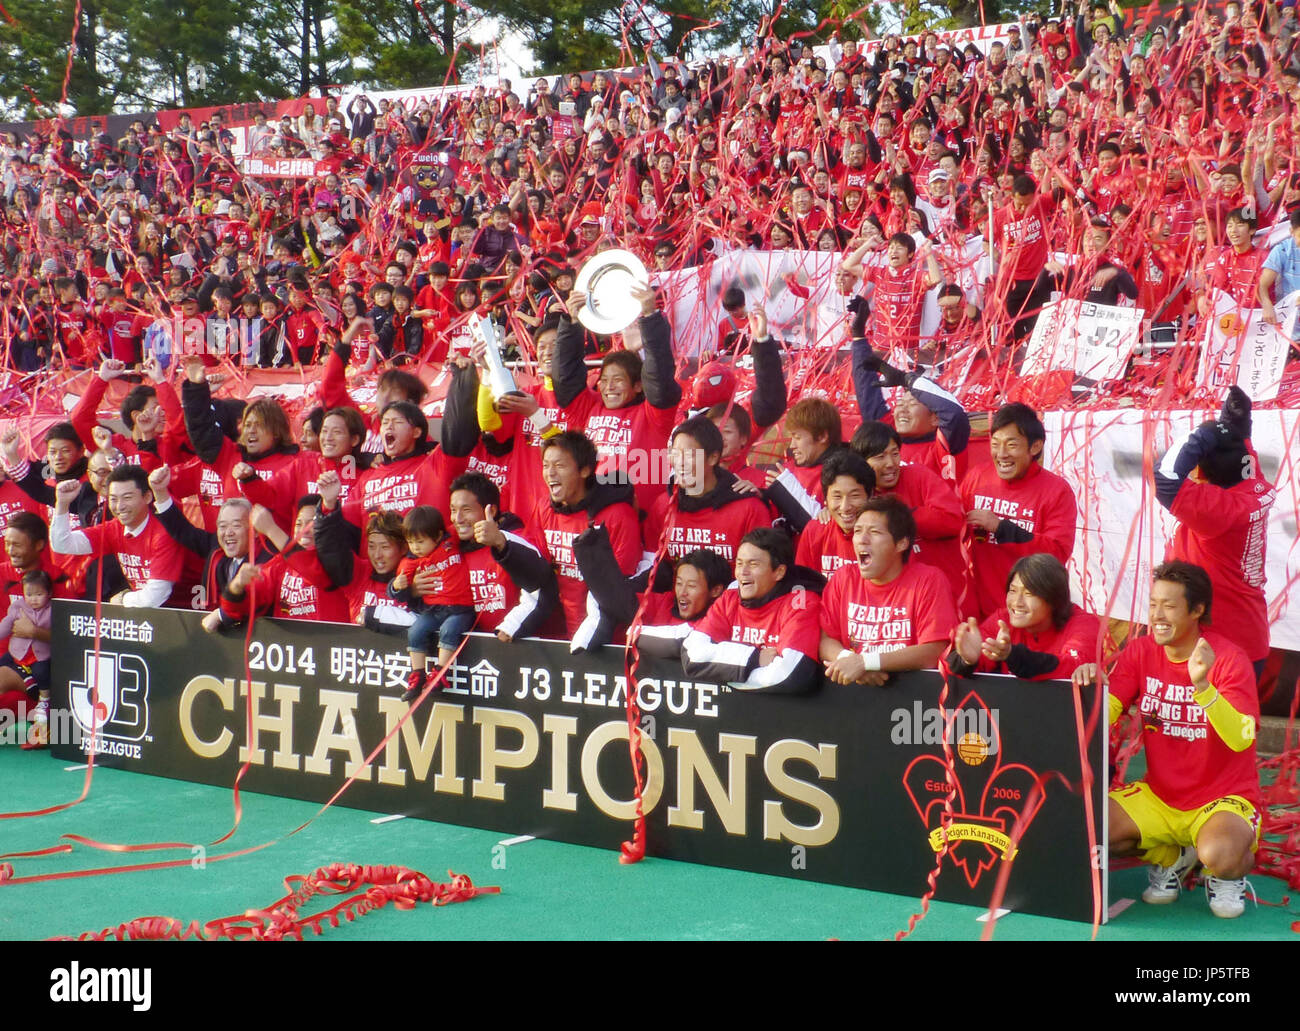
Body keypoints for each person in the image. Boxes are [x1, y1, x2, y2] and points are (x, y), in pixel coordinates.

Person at [1076, 562, 1261, 919]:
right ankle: (1174, 858)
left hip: (1221, 799)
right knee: (1089, 826)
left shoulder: (1229, 659)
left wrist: (1204, 689)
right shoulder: (1141, 650)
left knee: (1222, 856)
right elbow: (1107, 714)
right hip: (1160, 796)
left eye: (1170, 606)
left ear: (1197, 610)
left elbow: (1242, 739)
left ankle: (1227, 875)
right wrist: (1091, 688)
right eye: (1153, 604)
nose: (1157, 615)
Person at [1154, 387, 1274, 677]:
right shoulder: (1252, 486)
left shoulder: (1219, 511)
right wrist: (1238, 430)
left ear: (1203, 475)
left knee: (1213, 724)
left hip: (1218, 650)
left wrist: (1202, 434)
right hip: (1244, 639)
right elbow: (1243, 457)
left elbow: (1165, 478)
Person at [819, 496, 957, 685]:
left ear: (901, 543)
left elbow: (934, 651)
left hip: (914, 700)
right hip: (853, 698)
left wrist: (866, 662)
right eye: (858, 531)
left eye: (874, 532)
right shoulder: (843, 578)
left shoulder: (929, 580)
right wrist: (849, 661)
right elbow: (825, 639)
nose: (862, 540)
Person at [960, 403, 1077, 620]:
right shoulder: (977, 477)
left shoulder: (1057, 491)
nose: (1001, 454)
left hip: (1029, 615)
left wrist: (1001, 527)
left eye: (1011, 445)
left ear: (1035, 447)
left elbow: (1057, 554)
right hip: (980, 612)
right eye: (995, 444)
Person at [677, 528, 825, 693]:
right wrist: (753, 658)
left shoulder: (801, 602)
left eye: (753, 564)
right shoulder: (729, 598)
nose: (742, 573)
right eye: (739, 563)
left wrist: (723, 673)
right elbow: (692, 654)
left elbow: (789, 674)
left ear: (779, 572)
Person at [49, 464, 193, 608]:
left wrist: (123, 598)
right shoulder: (114, 527)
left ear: (148, 497)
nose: (119, 506)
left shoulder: (163, 532)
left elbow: (154, 597)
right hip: (148, 612)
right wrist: (62, 504)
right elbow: (62, 544)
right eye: (113, 499)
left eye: (127, 498)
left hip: (186, 611)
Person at [948, 553, 1100, 681]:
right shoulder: (1003, 619)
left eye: (1029, 594)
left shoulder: (1084, 623)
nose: (1017, 603)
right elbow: (952, 671)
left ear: (1054, 599)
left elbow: (1073, 667)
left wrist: (1011, 655)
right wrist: (965, 660)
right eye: (1013, 591)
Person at [642, 415, 772, 561]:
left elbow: (762, 571)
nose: (680, 463)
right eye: (676, 454)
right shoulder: (664, 505)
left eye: (690, 455)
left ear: (713, 458)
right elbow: (650, 562)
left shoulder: (749, 509)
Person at [388, 505, 477, 702]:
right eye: (410, 542)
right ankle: (418, 675)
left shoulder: (450, 540)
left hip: (461, 610)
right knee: (415, 631)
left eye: (420, 541)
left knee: (449, 630)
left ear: (437, 536)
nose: (415, 547)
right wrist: (398, 585)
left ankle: (439, 674)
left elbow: (464, 524)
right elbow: (397, 593)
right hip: (433, 610)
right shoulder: (410, 562)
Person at [794, 451, 876, 577]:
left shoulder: (883, 535)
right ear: (825, 499)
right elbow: (803, 584)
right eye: (837, 496)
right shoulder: (815, 531)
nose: (845, 507)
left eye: (854, 496)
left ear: (870, 495)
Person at [0, 569, 53, 749]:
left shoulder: (52, 611)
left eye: (39, 594)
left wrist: (34, 632)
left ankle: (45, 700)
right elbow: (6, 625)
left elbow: (62, 636)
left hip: (39, 656)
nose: (34, 599)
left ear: (49, 594)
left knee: (42, 672)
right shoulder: (18, 607)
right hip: (17, 654)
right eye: (29, 594)